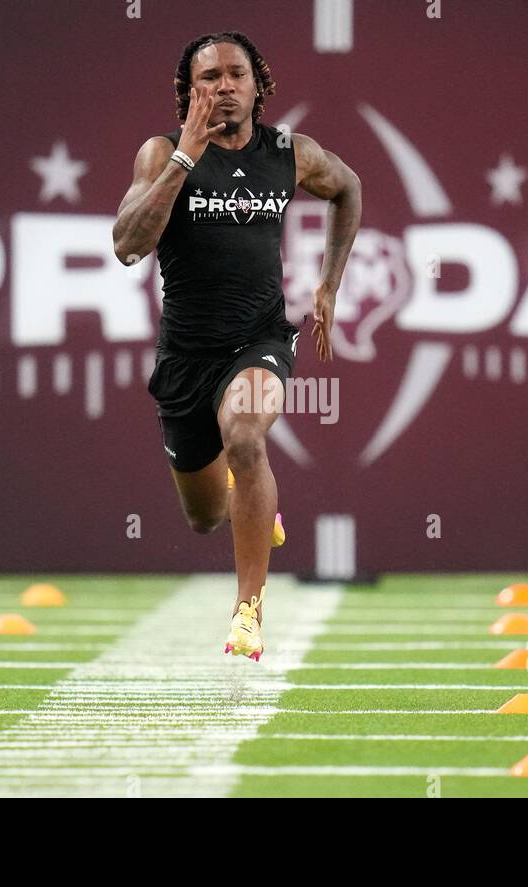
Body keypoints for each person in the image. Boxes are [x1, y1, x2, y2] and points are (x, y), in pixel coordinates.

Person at [112, 31, 361, 660]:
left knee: (246, 437)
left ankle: (248, 610)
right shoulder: (160, 152)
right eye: (209, 78)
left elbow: (348, 188)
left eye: (236, 74)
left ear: (258, 84)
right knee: (204, 516)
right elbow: (128, 245)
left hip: (259, 341)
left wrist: (329, 283)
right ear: (187, 91)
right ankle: (254, 506)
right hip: (184, 359)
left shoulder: (290, 153)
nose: (224, 86)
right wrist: (186, 157)